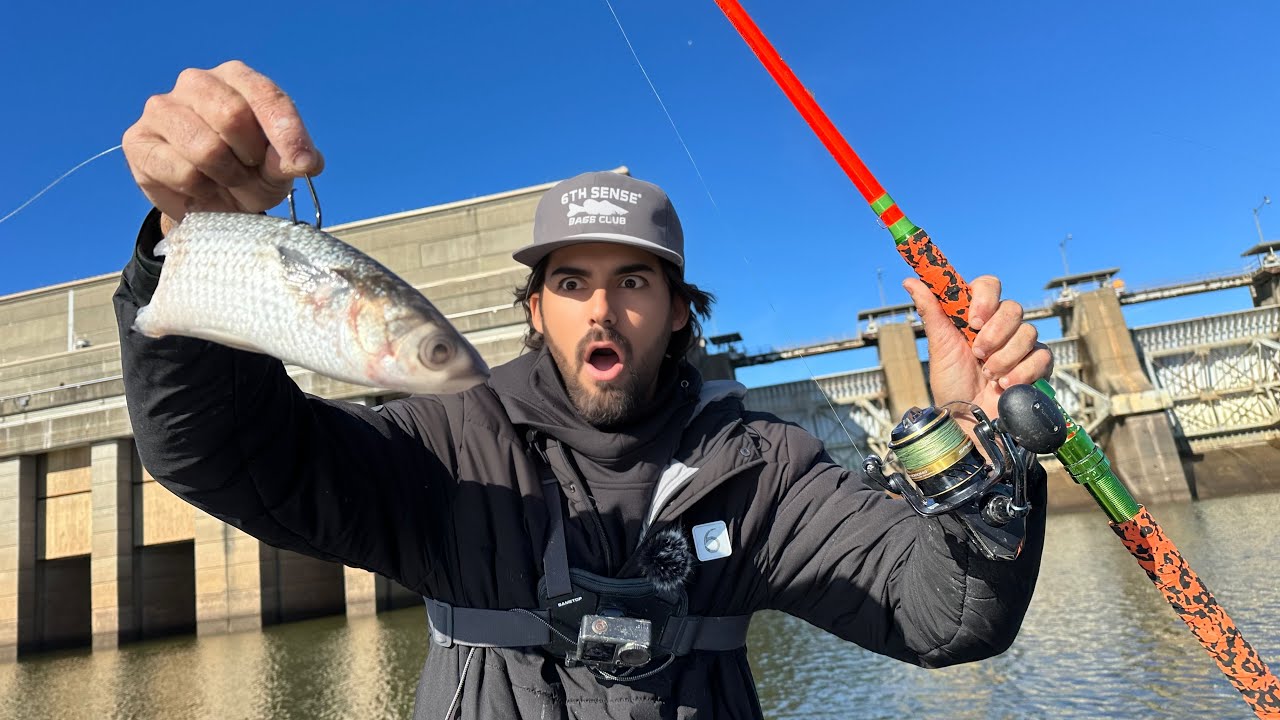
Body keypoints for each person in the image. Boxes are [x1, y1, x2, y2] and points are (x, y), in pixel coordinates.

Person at [115, 61, 1054, 720]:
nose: (601, 308)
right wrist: (189, 246)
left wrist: (974, 447)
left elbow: (945, 616)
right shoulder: (447, 447)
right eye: (570, 283)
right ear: (535, 310)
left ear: (681, 312)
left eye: (634, 281)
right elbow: (228, 453)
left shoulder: (765, 471)